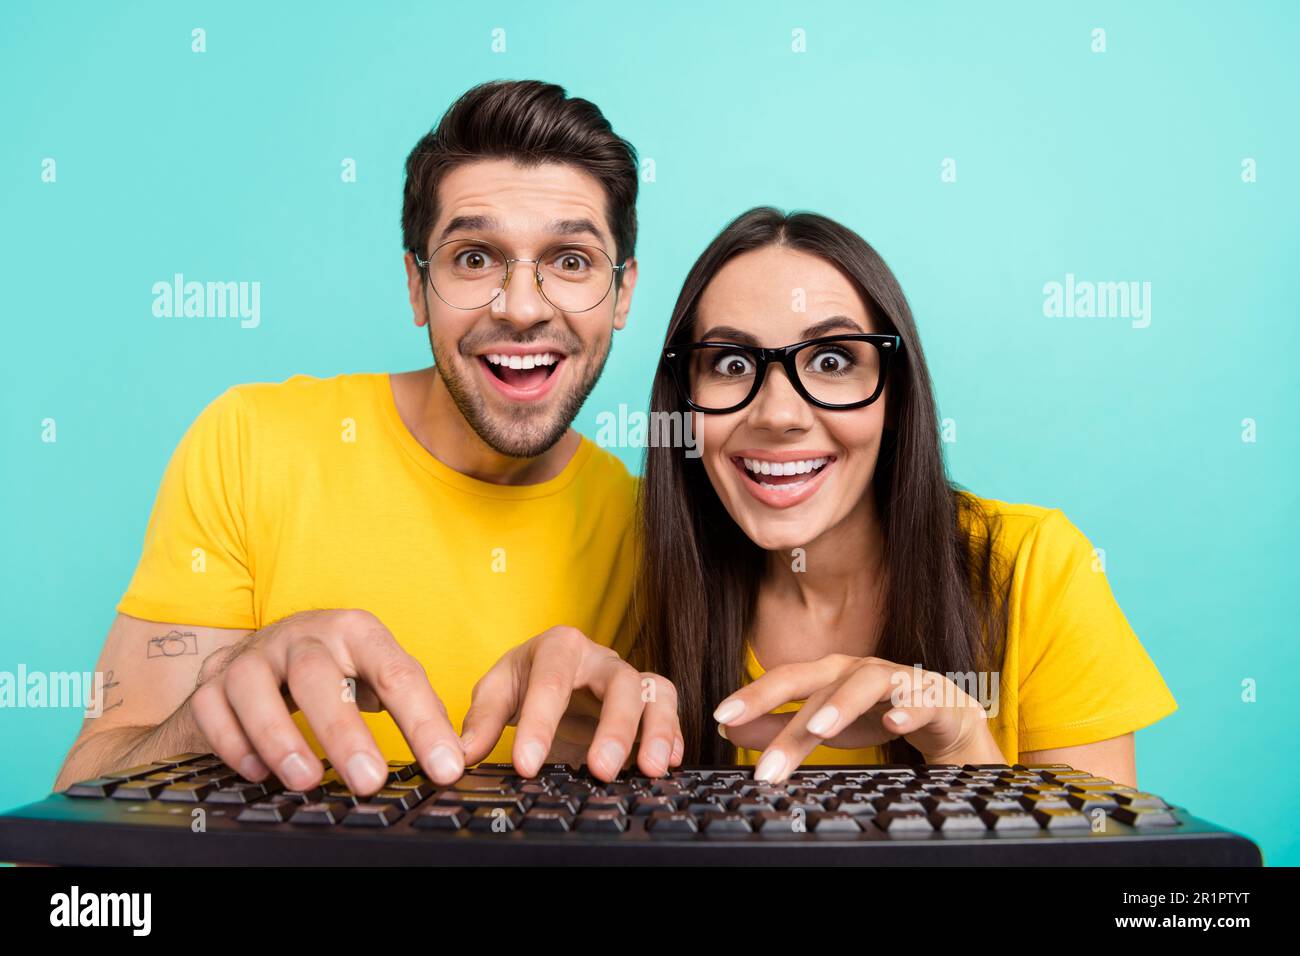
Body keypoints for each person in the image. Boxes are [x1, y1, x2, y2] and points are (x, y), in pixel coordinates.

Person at [53, 79, 683, 797]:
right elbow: (75, 809)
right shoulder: (250, 444)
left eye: (570, 262)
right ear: (417, 287)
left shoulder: (657, 531)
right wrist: (217, 709)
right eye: (474, 258)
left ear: (623, 292)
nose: (521, 308)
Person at [632, 206, 1177, 789]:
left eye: (832, 360)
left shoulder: (1037, 567)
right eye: (732, 363)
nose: (778, 415)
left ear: (895, 397)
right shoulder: (642, 574)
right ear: (685, 406)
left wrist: (966, 749)